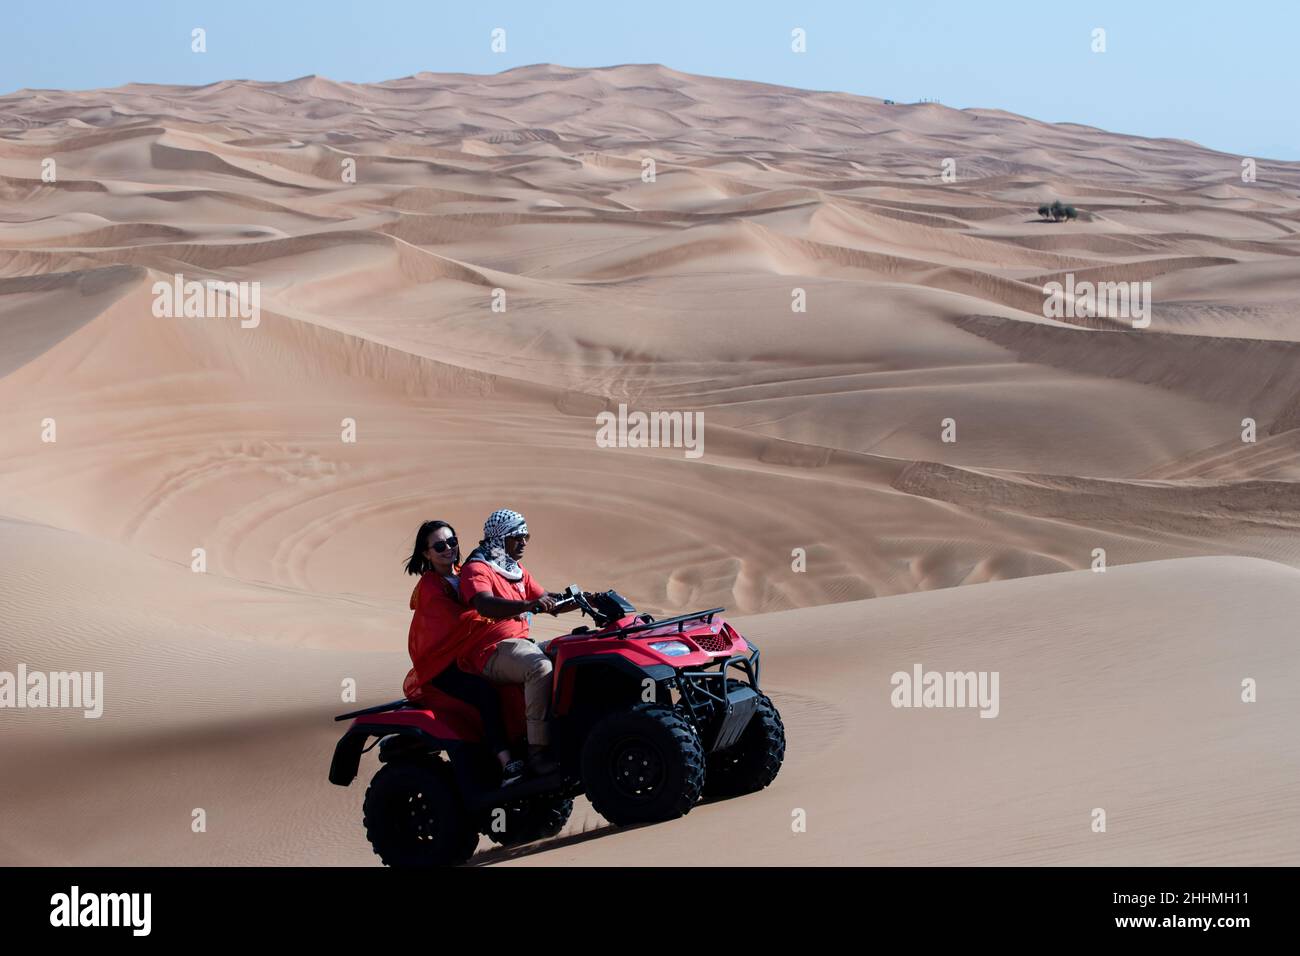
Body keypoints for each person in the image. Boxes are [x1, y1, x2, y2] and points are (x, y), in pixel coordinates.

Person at [403, 519, 524, 785]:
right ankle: (506, 761)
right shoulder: (430, 587)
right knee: (485, 694)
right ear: (426, 553)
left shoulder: (465, 572)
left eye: (452, 541)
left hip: (471, 654)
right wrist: (493, 615)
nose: (449, 548)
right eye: (439, 545)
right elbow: (457, 622)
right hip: (443, 666)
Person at [458, 509, 578, 776]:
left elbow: (547, 601)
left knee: (571, 653)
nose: (523, 542)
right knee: (540, 668)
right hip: (490, 651)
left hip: (520, 643)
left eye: (526, 536)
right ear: (500, 539)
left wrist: (585, 600)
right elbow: (484, 604)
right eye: (517, 537)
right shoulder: (476, 569)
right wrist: (528, 605)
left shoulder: (514, 568)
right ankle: (538, 750)